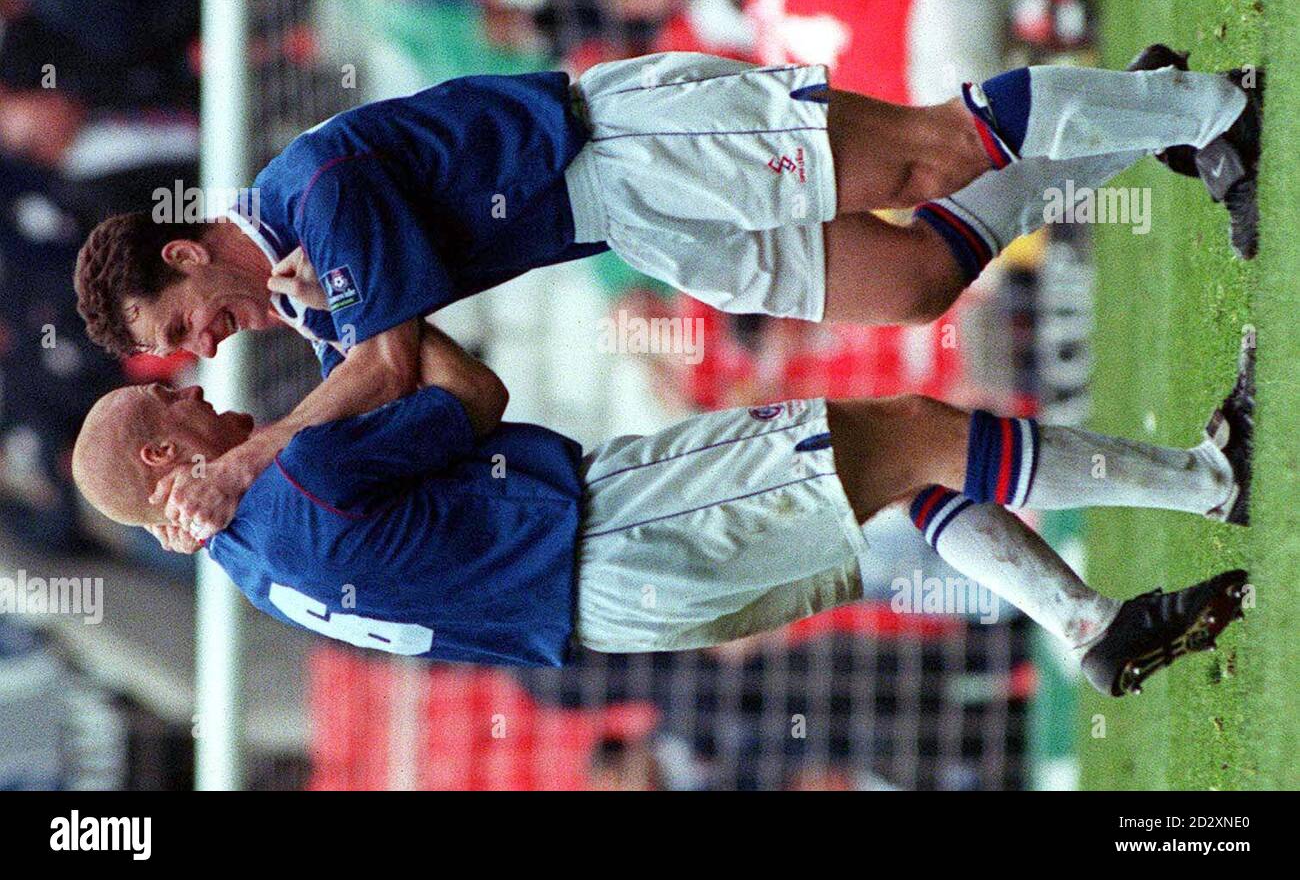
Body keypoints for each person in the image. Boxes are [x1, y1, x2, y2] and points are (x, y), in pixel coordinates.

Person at [73, 44, 1262, 545]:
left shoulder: (310, 185)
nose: (210, 347)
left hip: (632, 144)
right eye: (186, 355)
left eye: (188, 326)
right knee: (908, 287)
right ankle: (1129, 110)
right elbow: (408, 366)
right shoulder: (304, 284)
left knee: (931, 153)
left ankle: (1216, 107)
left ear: (186, 255)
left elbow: (391, 367)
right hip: (633, 227)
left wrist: (244, 463)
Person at [70, 324, 1254, 697]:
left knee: (904, 469)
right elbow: (474, 392)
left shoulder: (245, 567)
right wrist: (382, 315)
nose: (199, 386)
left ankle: (1089, 626)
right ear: (167, 447)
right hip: (618, 528)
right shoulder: (298, 477)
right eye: (175, 394)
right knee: (904, 429)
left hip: (619, 616)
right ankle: (1210, 479)